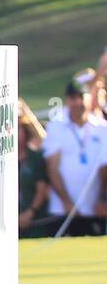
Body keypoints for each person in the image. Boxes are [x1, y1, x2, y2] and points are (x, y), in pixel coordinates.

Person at [43, 79, 107, 236]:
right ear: (67, 100)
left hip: (93, 209)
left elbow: (104, 169)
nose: (77, 102)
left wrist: (102, 200)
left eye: (81, 97)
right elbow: (52, 168)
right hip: (62, 209)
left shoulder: (101, 128)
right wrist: (67, 202)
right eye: (73, 98)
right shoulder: (56, 126)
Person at [16, 100, 52, 238]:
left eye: (18, 128)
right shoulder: (2, 161)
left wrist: (30, 212)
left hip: (34, 221)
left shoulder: (35, 157)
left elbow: (41, 189)